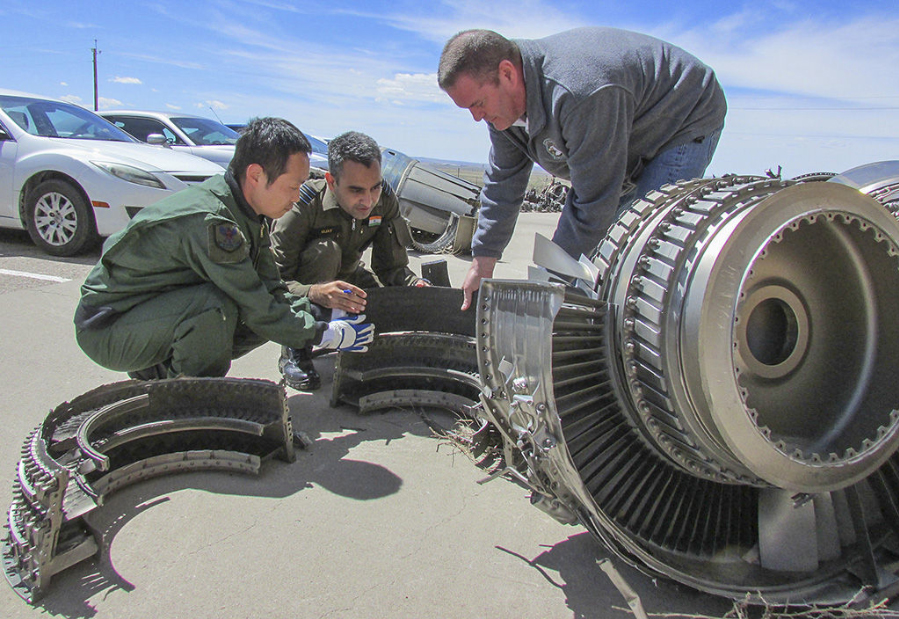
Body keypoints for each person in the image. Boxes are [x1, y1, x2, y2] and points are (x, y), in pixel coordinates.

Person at [438, 27, 727, 309]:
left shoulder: (579, 92)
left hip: (681, 119)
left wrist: (549, 285)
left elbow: (593, 202)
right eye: (469, 110)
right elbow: (503, 183)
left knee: (645, 253)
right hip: (623, 136)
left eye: (478, 104)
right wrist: (482, 260)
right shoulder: (503, 114)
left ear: (508, 73)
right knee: (600, 255)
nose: (477, 118)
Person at [75, 117, 375, 381]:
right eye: (292, 186)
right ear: (256, 175)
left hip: (151, 311)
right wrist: (322, 335)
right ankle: (190, 402)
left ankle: (161, 372)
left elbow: (272, 290)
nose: (297, 198)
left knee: (263, 313)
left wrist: (320, 316)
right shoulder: (214, 221)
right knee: (216, 306)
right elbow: (255, 303)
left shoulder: (247, 212)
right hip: (110, 326)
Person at [269, 130, 428, 391]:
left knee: (387, 311)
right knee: (326, 251)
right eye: (356, 190)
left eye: (374, 187)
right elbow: (275, 283)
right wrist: (316, 292)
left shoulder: (385, 200)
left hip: (351, 277)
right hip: (307, 286)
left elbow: (391, 267)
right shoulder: (303, 205)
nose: (368, 201)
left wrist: (414, 284)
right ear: (332, 182)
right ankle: (295, 349)